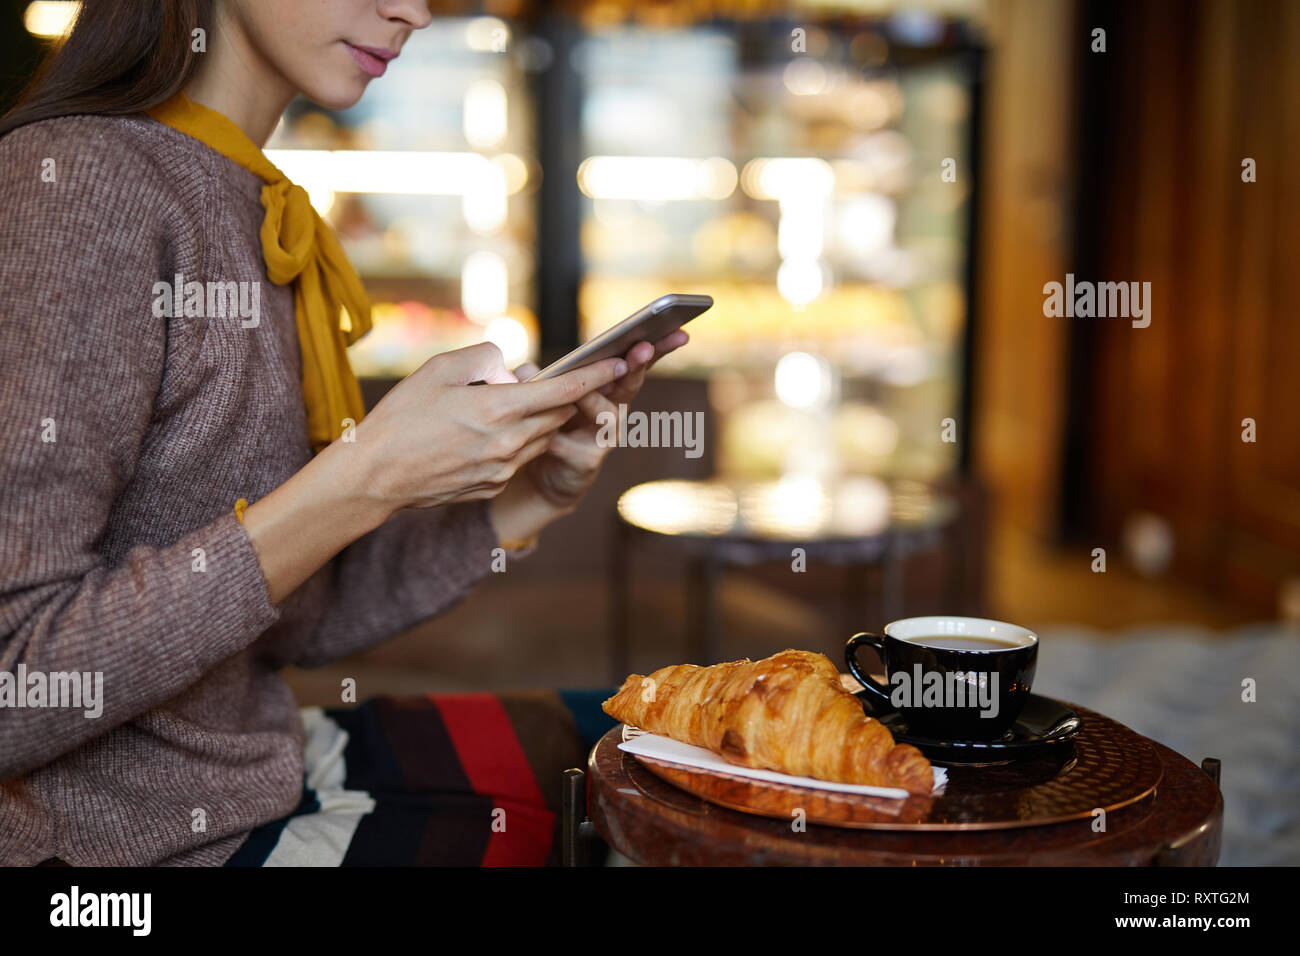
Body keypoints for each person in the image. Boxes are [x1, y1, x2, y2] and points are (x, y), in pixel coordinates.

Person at [0, 0, 686, 865]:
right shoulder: (74, 184)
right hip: (109, 851)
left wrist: (526, 497)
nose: (414, 11)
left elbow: (287, 622)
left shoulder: (254, 199)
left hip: (250, 773)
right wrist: (364, 477)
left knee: (660, 746)